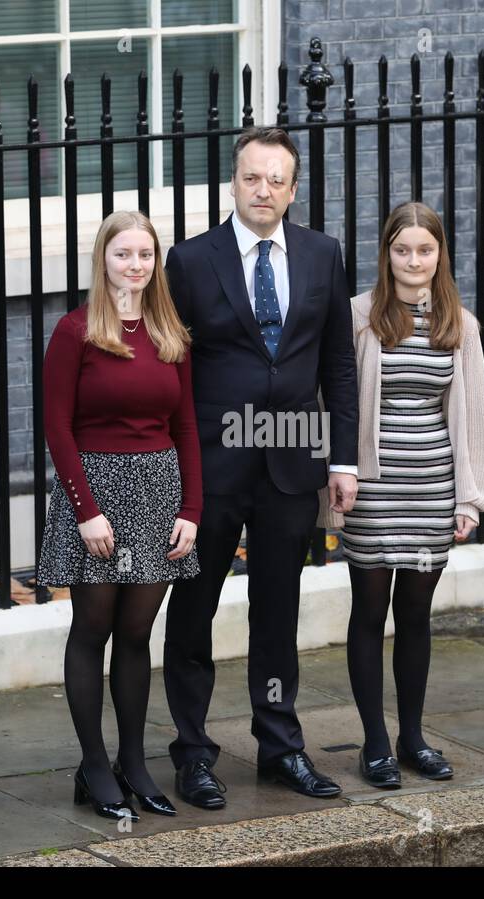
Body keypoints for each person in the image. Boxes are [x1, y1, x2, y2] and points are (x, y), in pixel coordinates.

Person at [161, 126, 359, 808]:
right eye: (253, 177)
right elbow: (172, 369)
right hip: (212, 467)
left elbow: (337, 361)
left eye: (277, 180)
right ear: (234, 182)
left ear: (293, 188)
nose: (264, 190)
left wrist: (344, 459)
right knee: (193, 611)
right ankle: (193, 754)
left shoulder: (321, 254)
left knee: (278, 614)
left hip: (292, 464)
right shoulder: (190, 262)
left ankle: (280, 747)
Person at [318, 201, 484, 788]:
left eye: (425, 249)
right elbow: (337, 401)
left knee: (415, 615)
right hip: (371, 487)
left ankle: (412, 737)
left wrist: (469, 500)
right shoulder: (358, 316)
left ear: (440, 254)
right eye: (402, 249)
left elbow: (473, 417)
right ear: (386, 253)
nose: (413, 260)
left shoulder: (458, 324)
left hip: (431, 487)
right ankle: (374, 744)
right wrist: (333, 476)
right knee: (370, 612)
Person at [38, 210, 202, 822]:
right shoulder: (75, 332)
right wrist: (86, 511)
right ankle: (95, 765)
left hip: (158, 489)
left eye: (145, 254)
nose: (135, 265)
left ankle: (134, 764)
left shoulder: (169, 332)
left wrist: (191, 508)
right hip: (96, 493)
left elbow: (185, 426)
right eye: (123, 254)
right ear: (102, 260)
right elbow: (57, 427)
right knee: (93, 628)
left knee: (138, 634)